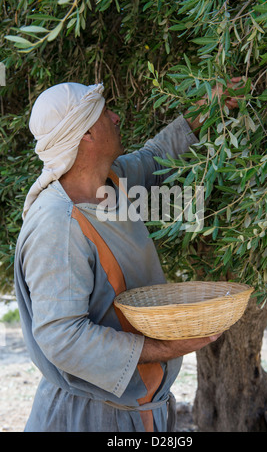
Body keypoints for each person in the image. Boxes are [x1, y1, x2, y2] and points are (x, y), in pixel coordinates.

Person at [14, 78, 242, 432]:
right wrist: (167, 347)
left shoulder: (111, 184)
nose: (117, 117)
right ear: (86, 133)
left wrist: (207, 109)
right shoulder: (57, 225)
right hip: (90, 418)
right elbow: (63, 338)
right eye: (106, 112)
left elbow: (154, 157)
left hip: (135, 411)